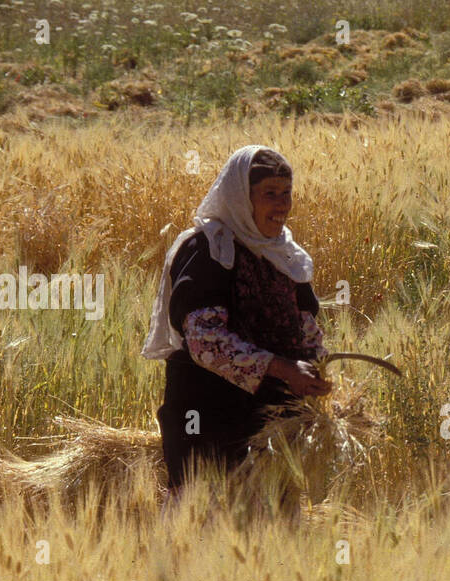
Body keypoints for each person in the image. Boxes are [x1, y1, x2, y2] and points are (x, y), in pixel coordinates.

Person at [141, 145, 332, 505]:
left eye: (286, 193)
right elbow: (206, 342)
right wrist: (283, 367)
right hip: (206, 413)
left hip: (273, 419)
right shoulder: (207, 251)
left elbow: (307, 328)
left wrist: (316, 367)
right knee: (201, 523)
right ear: (242, 197)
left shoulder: (286, 255)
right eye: (269, 194)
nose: (281, 205)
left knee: (272, 524)